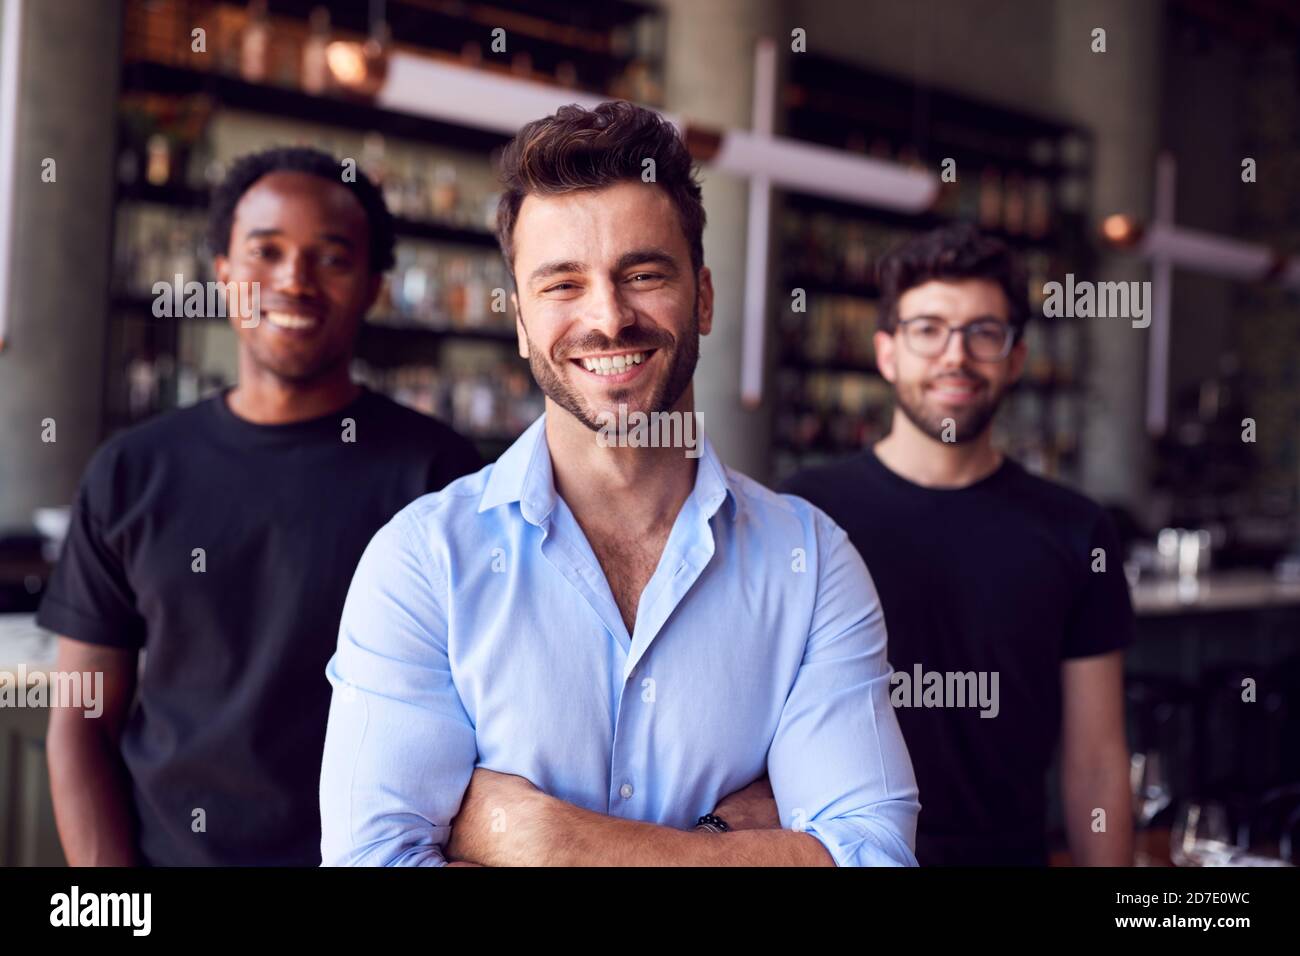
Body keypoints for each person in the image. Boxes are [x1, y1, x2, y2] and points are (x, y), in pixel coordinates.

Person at [319, 101, 919, 867]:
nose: (608, 318)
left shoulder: (812, 562)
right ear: (521, 322)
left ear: (701, 297)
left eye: (642, 274)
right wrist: (738, 844)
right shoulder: (422, 563)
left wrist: (546, 839)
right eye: (562, 284)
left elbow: (874, 859)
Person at [39, 147, 481, 866]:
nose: (293, 281)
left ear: (372, 286)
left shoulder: (440, 475)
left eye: (331, 258)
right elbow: (82, 718)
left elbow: (486, 728)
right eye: (265, 251)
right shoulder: (131, 471)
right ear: (222, 274)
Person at [782, 224, 1135, 866]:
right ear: (887, 352)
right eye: (928, 329)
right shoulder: (803, 514)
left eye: (983, 332)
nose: (956, 356)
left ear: (1017, 357)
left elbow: (1097, 758)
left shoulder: (1077, 531)